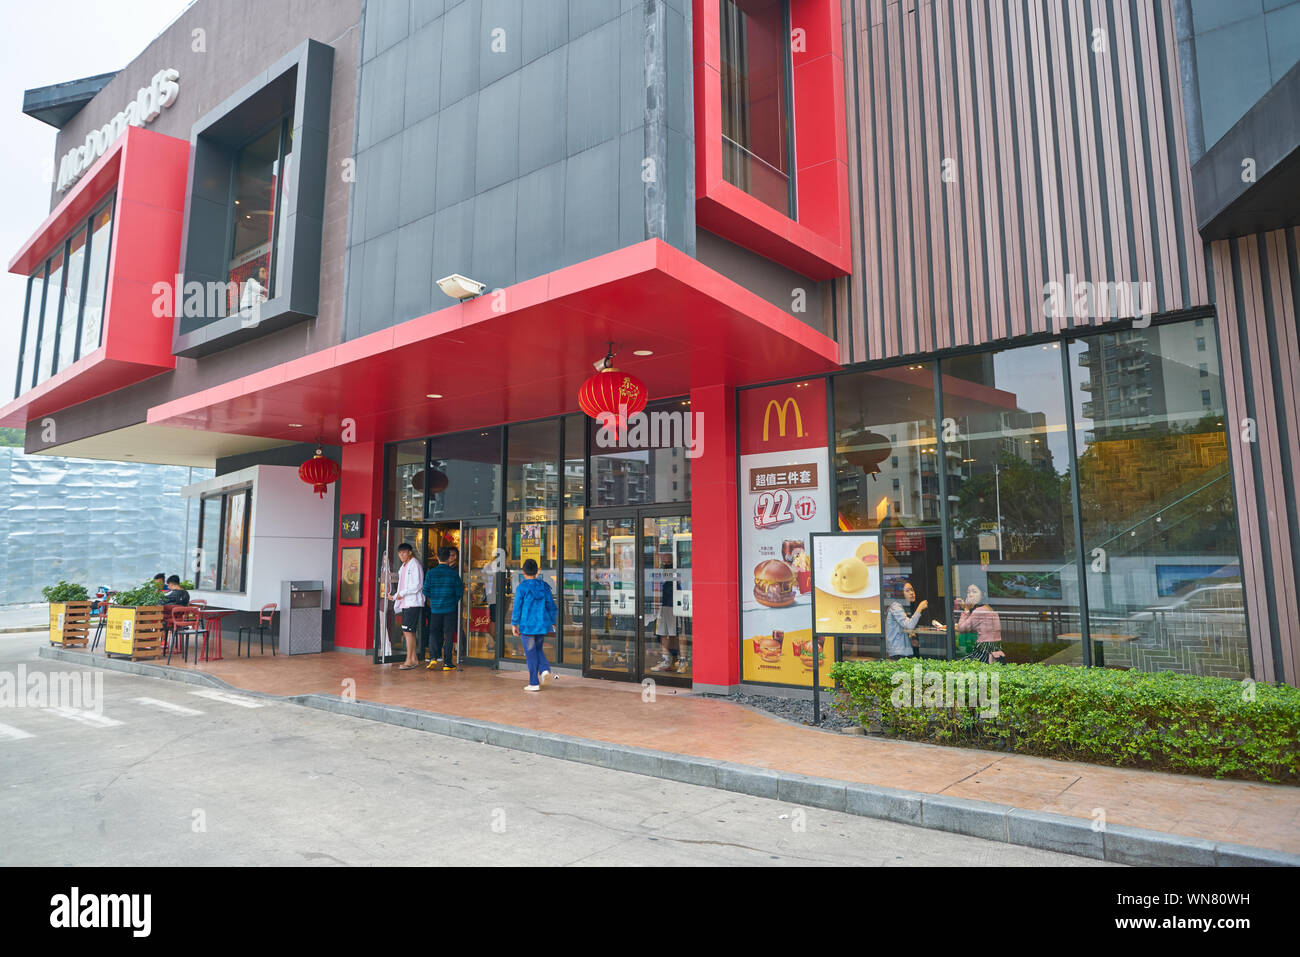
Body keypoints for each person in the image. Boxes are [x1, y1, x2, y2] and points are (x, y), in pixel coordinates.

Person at [511, 559, 556, 692]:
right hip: (542, 624)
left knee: (530, 653)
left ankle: (534, 682)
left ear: (523, 572)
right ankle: (544, 670)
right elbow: (551, 606)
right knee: (537, 649)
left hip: (527, 625)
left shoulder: (522, 588)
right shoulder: (544, 586)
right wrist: (552, 621)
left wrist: (514, 623)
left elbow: (517, 607)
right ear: (537, 571)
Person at [423, 546, 463, 671]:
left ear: (437, 557)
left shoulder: (431, 573)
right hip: (450, 609)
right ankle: (447, 663)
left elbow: (425, 591)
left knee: (434, 633)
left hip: (435, 609)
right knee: (449, 634)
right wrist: (452, 601)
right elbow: (459, 592)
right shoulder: (453, 574)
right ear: (448, 558)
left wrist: (434, 600)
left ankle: (433, 657)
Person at [393, 542, 425, 670]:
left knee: (408, 631)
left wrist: (401, 594)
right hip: (406, 602)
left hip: (413, 603)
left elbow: (417, 586)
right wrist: (396, 595)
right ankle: (414, 659)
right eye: (399, 553)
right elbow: (402, 584)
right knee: (408, 631)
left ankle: (409, 660)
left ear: (410, 552)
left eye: (404, 552)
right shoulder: (404, 566)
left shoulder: (415, 565)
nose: (401, 555)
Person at [955, 583, 1005, 663]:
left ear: (983, 594)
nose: (970, 595)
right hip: (995, 652)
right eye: (968, 592)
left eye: (974, 592)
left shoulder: (980, 611)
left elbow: (962, 628)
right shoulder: (989, 608)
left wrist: (966, 609)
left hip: (983, 653)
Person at [885, 580, 927, 659]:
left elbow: (903, 627)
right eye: (907, 591)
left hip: (903, 650)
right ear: (900, 593)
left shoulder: (903, 606)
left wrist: (911, 636)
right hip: (898, 652)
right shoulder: (896, 606)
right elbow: (909, 625)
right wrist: (920, 608)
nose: (911, 593)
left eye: (912, 590)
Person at [651, 557, 680, 672]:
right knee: (663, 632)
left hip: (672, 604)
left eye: (667, 558)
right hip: (663, 604)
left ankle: (673, 659)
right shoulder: (661, 571)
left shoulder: (674, 571)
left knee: (672, 633)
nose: (664, 560)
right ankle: (667, 659)